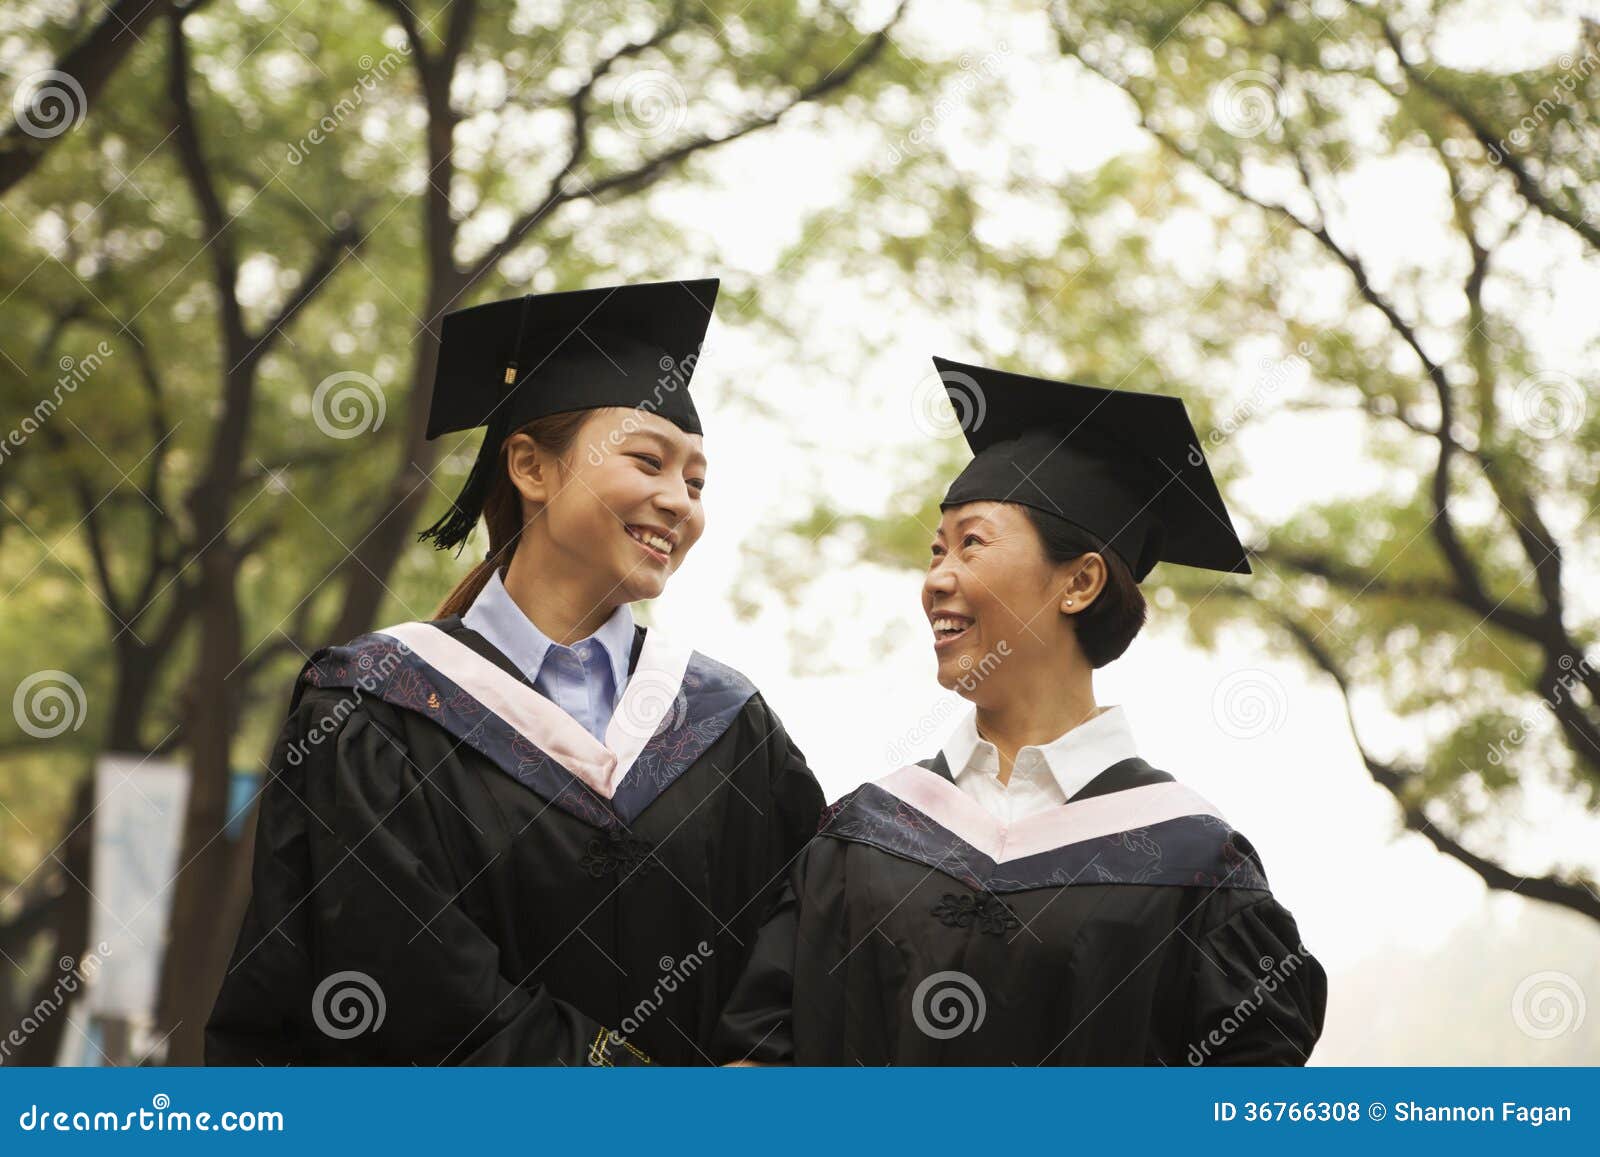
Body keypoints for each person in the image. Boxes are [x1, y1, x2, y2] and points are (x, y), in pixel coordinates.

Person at [206, 279, 824, 1065]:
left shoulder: (729, 726)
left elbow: (804, 944)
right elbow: (400, 978)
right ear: (532, 466)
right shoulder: (375, 708)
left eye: (696, 482)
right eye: (648, 461)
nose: (679, 501)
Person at [714, 356, 1327, 1065]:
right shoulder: (864, 834)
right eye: (936, 551)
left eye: (971, 544)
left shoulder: (1192, 864)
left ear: (1080, 582)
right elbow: (758, 1060)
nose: (935, 579)